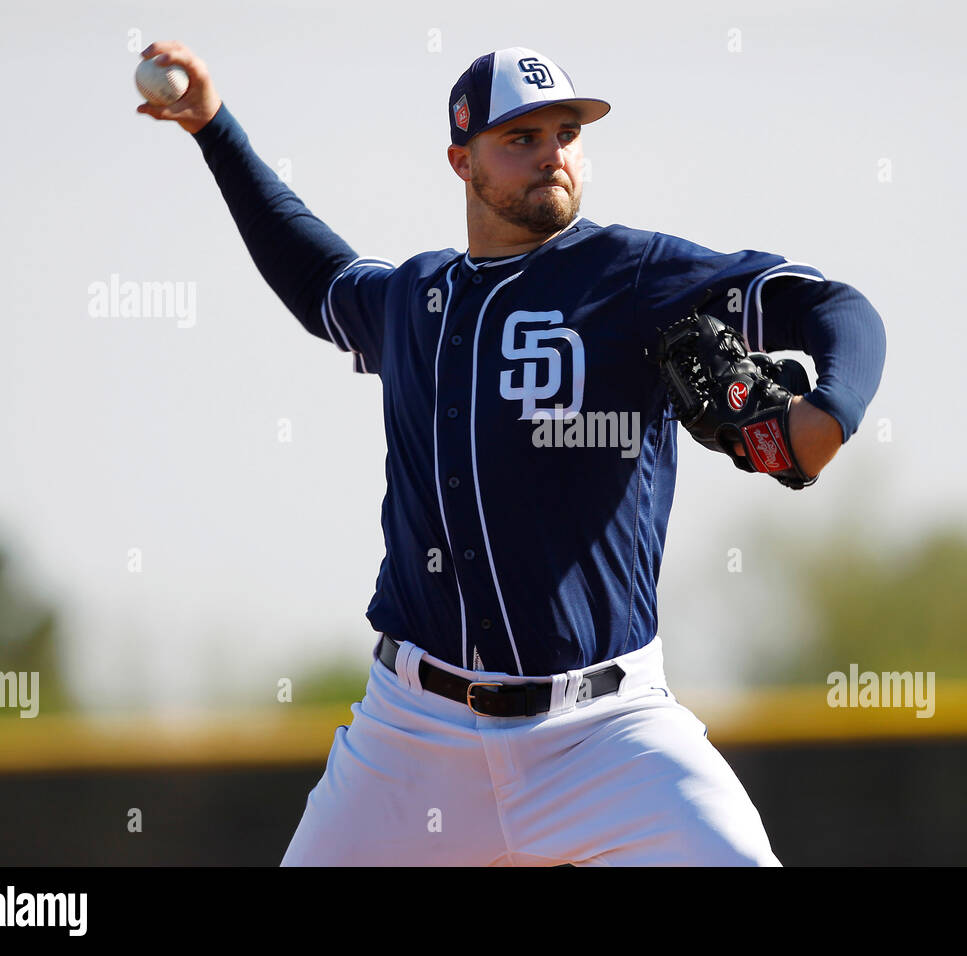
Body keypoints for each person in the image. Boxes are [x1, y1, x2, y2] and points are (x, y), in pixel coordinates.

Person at [137, 42, 887, 866]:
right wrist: (212, 126)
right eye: (519, 139)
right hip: (413, 736)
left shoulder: (631, 275)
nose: (551, 155)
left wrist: (830, 412)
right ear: (462, 161)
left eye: (565, 132)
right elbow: (316, 276)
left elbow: (834, 307)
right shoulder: (415, 301)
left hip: (605, 733)